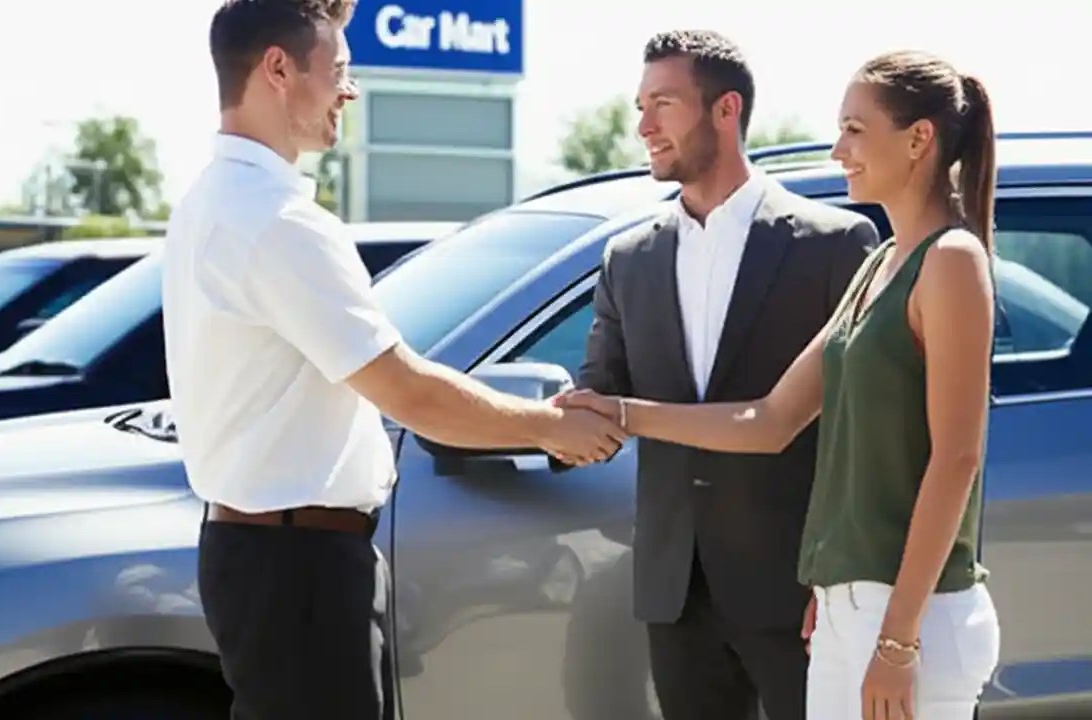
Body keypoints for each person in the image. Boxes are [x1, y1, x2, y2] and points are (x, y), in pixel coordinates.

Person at [160, 2, 626, 719]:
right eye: (339, 69)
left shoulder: (211, 202)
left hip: (272, 555)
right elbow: (408, 392)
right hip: (299, 567)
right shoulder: (276, 222)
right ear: (278, 69)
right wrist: (550, 427)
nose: (349, 91)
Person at [560, 49, 1002, 720]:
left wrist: (897, 637)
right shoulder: (881, 264)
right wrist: (617, 411)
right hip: (847, 605)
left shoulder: (952, 262)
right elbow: (768, 420)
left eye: (855, 129)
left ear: (919, 139)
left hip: (912, 616)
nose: (838, 149)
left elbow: (957, 459)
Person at [565, 29, 880, 720]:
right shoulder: (628, 258)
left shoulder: (835, 244)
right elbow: (600, 398)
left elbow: (864, 433)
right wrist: (546, 420)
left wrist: (839, 577)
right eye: (641, 106)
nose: (643, 126)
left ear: (726, 109)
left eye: (663, 104)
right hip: (677, 594)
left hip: (801, 591)